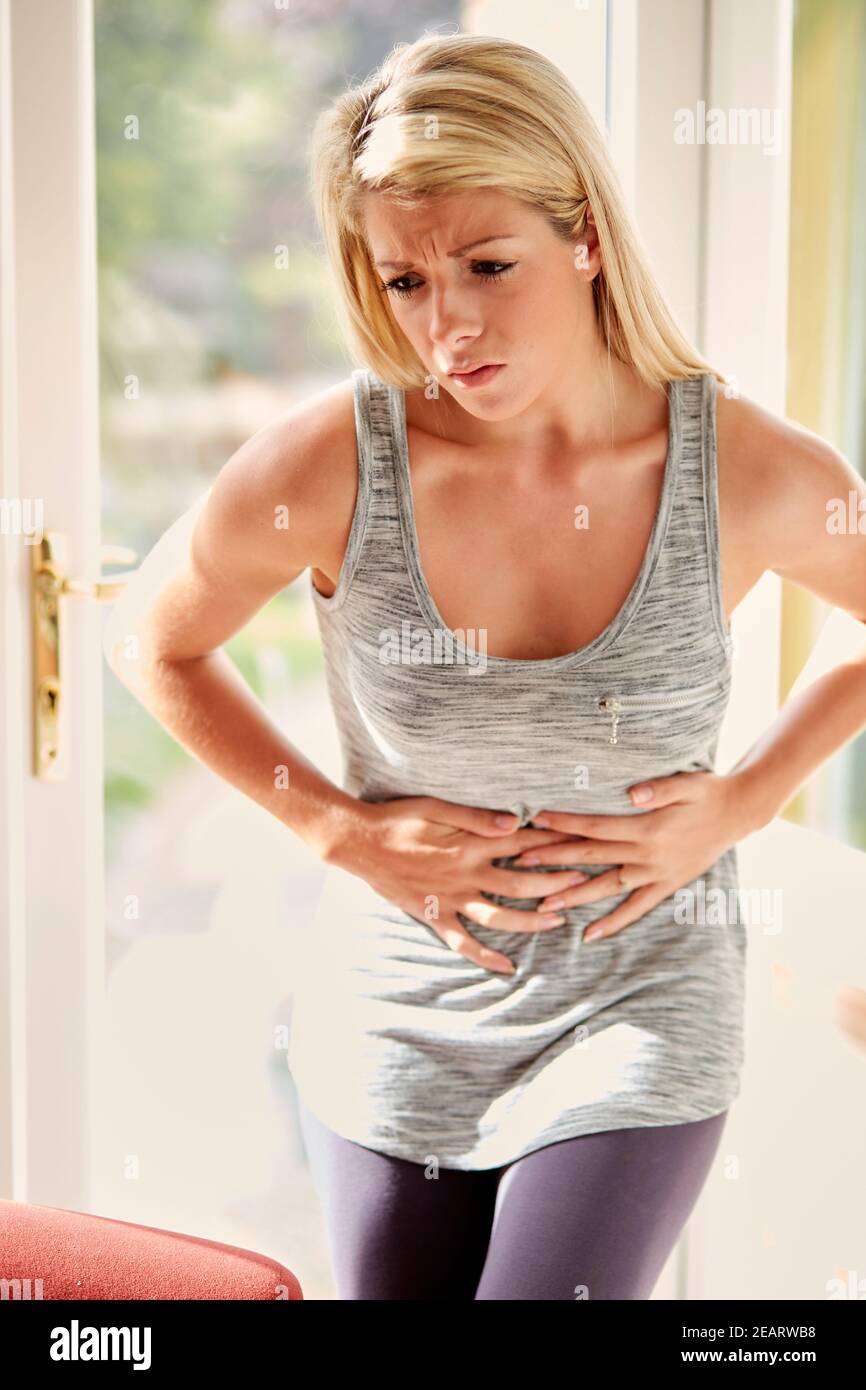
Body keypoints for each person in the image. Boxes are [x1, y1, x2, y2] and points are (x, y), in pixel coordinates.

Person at [105, 33, 866, 1300]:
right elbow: (154, 638)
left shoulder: (748, 470)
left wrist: (742, 799)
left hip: (639, 1000)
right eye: (403, 280)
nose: (444, 323)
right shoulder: (333, 466)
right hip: (395, 1004)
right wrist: (340, 833)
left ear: (584, 236)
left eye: (486, 264)